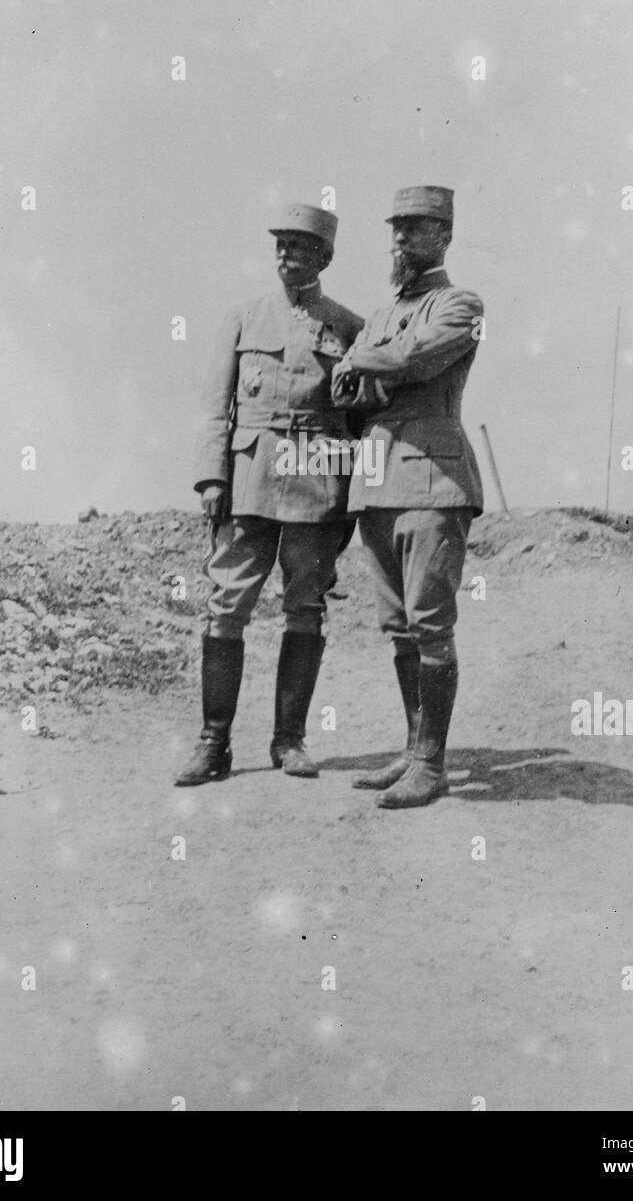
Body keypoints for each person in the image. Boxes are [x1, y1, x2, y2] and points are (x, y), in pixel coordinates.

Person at [175, 203, 363, 785]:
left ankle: (289, 741)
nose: (286, 255)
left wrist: (351, 496)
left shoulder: (349, 327)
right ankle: (214, 744)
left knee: (305, 605)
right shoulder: (244, 315)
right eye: (280, 244)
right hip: (250, 477)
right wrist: (212, 477)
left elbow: (357, 419)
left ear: (324, 257)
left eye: (301, 247)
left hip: (316, 476)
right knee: (227, 604)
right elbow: (215, 405)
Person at [332, 185, 483, 808]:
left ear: (443, 237)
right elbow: (345, 389)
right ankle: (413, 747)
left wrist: (368, 362)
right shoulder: (382, 314)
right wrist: (369, 368)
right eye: (396, 229)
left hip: (432, 479)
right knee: (398, 626)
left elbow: (419, 359)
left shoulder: (462, 304)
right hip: (377, 479)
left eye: (415, 230)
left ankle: (432, 764)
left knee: (430, 623)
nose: (401, 240)